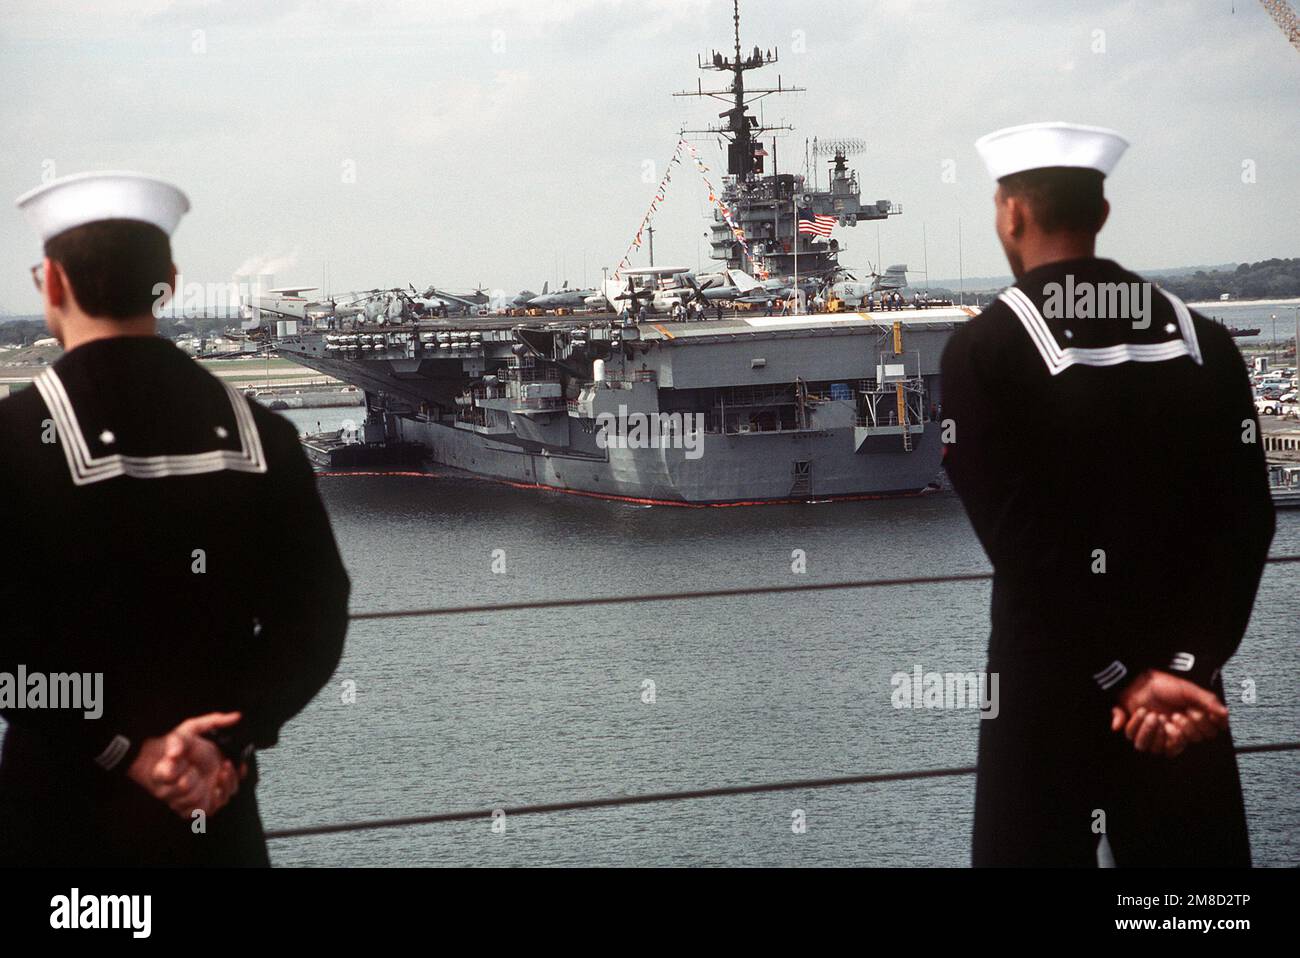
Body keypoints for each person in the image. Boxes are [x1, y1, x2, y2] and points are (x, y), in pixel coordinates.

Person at [941, 122, 1275, 867]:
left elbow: (1025, 549)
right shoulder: (1205, 339)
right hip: (1183, 707)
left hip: (1047, 705)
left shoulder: (984, 349)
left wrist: (1120, 681)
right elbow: (1248, 524)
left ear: (1012, 214)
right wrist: (1182, 673)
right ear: (1102, 213)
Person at [0, 171, 351, 866]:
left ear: (52, 284)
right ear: (169, 282)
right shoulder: (265, 434)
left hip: (63, 823)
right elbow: (317, 614)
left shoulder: (11, 439)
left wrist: (125, 750)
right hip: (213, 817)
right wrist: (229, 738)